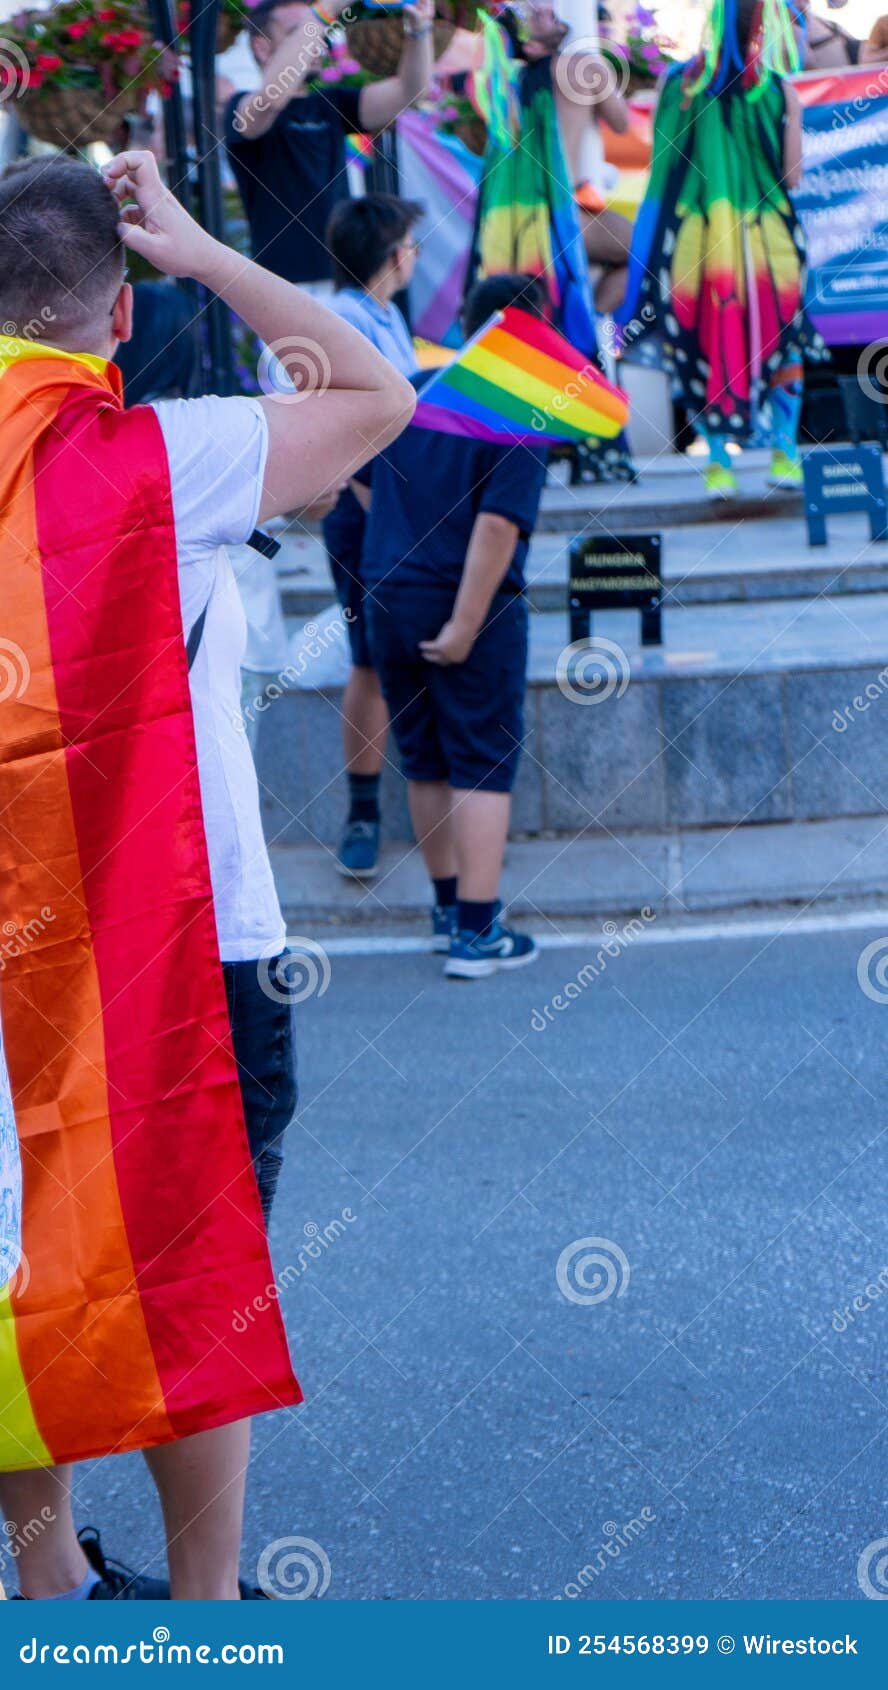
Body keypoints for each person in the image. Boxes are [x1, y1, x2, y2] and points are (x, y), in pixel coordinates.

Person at [0, 150, 413, 1601]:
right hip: (177, 940)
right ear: (119, 314)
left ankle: (47, 1589)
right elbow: (376, 400)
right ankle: (205, 1604)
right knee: (188, 1263)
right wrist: (210, 255)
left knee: (12, 1254)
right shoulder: (166, 458)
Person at [357, 273, 548, 979]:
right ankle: (478, 934)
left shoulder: (413, 388)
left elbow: (361, 477)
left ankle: (445, 914)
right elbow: (498, 525)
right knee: (482, 760)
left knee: (425, 755)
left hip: (389, 591)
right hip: (467, 603)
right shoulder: (519, 405)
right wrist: (467, 622)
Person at [616, 0, 826, 498]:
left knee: (696, 340)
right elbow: (792, 178)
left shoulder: (678, 85)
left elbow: (662, 168)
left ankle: (716, 464)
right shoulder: (778, 92)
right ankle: (784, 454)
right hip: (768, 235)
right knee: (784, 337)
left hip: (697, 239)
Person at [322, 193, 422, 879]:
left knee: (402, 653)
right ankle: (363, 813)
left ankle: (429, 803)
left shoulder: (383, 316)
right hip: (366, 512)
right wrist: (379, 505)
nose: (414, 253)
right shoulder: (344, 320)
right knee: (367, 659)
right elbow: (339, 426)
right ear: (392, 255)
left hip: (401, 507)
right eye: (410, 243)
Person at [222, 0, 434, 291]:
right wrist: (323, 12)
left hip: (346, 283)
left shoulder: (328, 104)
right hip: (282, 289)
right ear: (262, 48)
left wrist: (420, 29)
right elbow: (271, 99)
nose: (314, 38)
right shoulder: (241, 108)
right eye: (297, 31)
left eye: (314, 30)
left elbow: (409, 92)